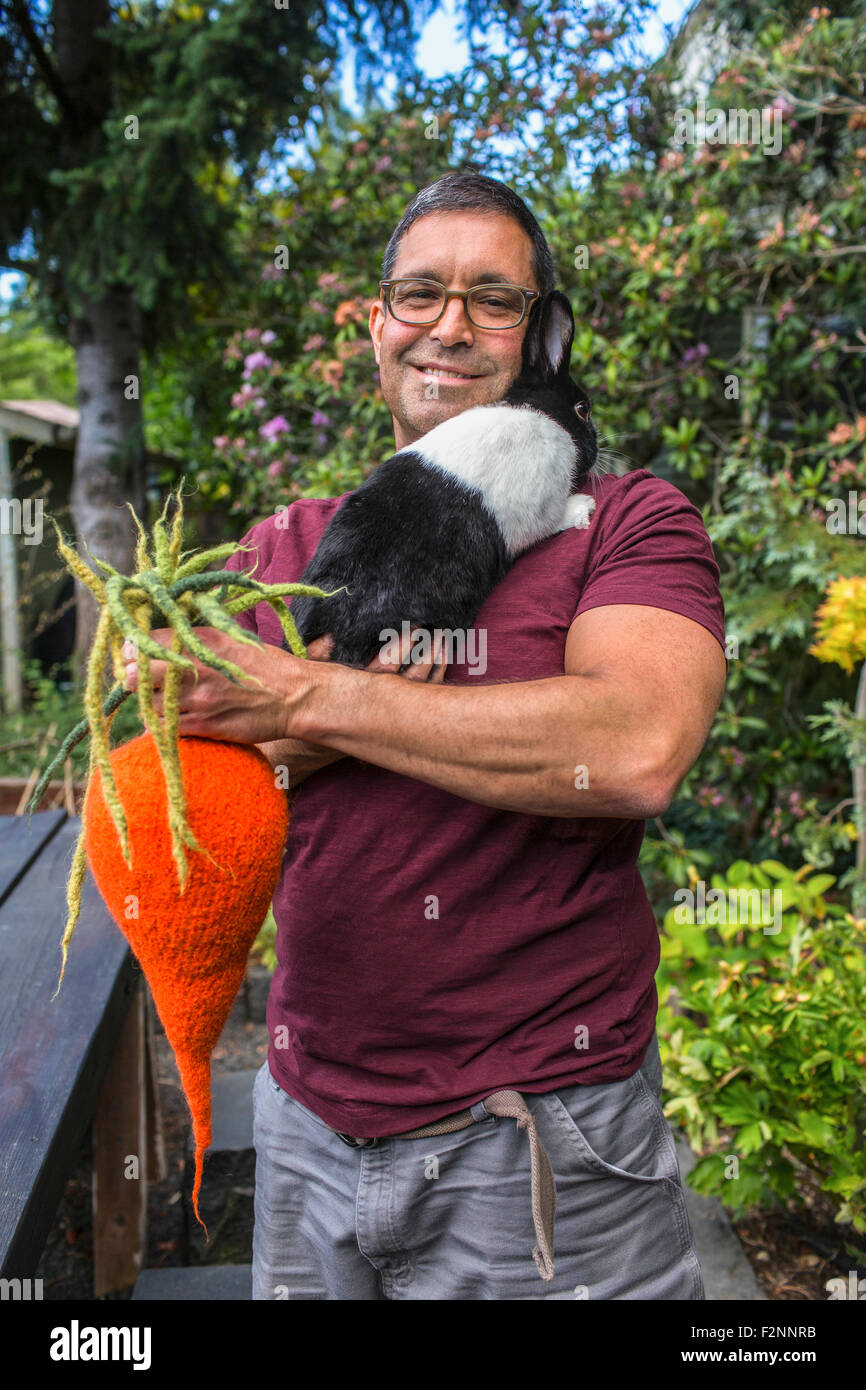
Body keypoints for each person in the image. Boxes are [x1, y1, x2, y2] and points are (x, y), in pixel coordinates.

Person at [125, 171, 727, 1300]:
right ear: (375, 327)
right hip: (306, 1126)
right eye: (420, 293)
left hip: (541, 1136)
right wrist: (168, 697)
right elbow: (190, 784)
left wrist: (313, 703)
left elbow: (637, 742)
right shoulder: (279, 548)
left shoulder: (623, 520)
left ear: (541, 335)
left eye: (493, 300)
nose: (448, 325)